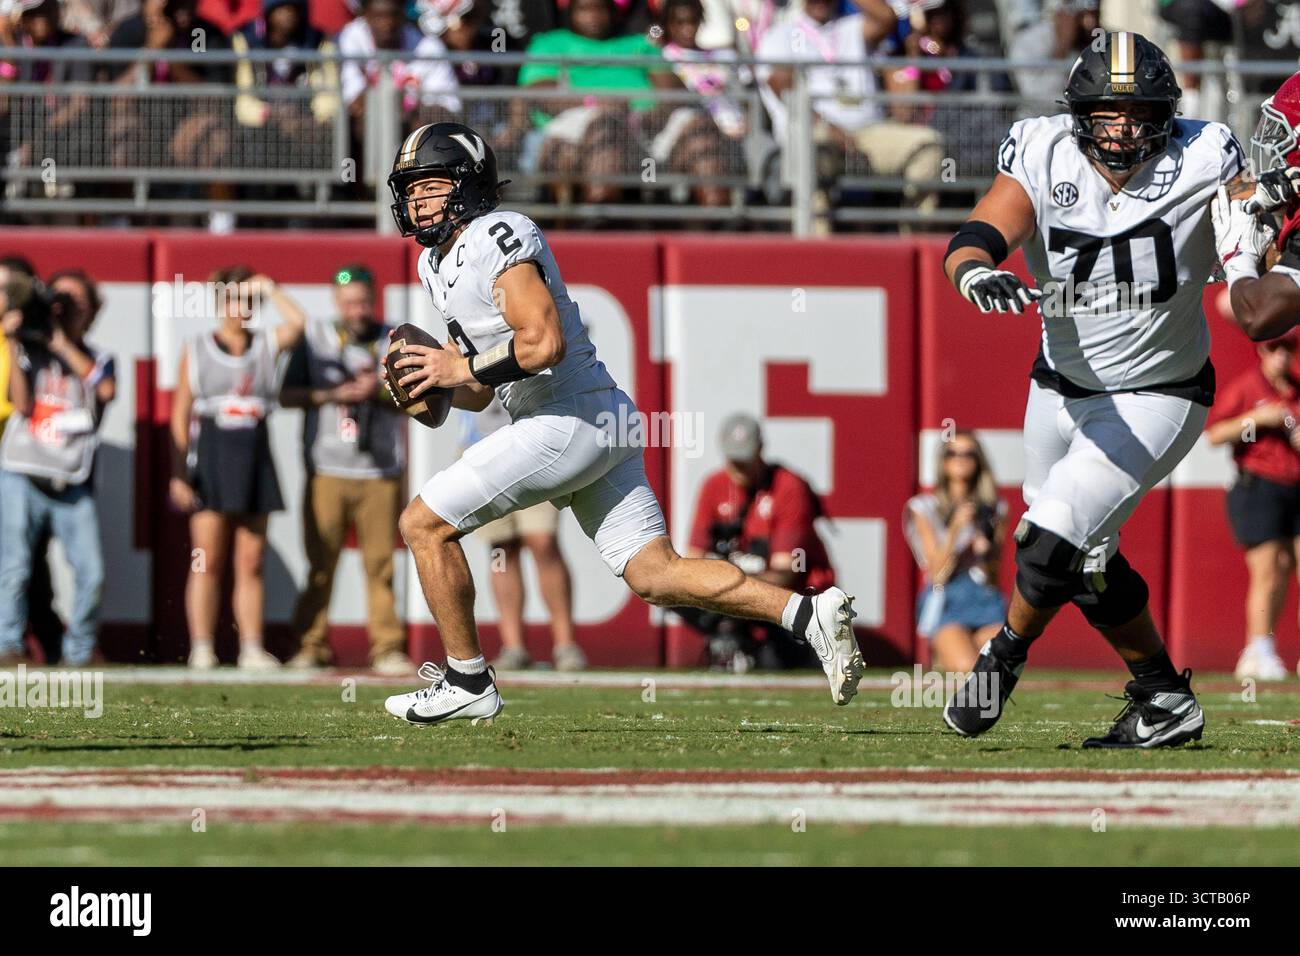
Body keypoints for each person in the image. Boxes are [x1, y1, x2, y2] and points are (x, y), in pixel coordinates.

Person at [380, 121, 863, 725]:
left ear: (468, 186)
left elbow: (544, 342)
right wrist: (440, 381)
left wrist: (459, 364)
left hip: (568, 417)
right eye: (411, 189)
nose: (418, 201)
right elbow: (484, 387)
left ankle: (467, 679)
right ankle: (808, 615)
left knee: (423, 524)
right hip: (597, 419)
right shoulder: (436, 264)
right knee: (656, 573)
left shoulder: (494, 235)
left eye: (431, 185)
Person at [941, 32, 1254, 748]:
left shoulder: (1204, 153)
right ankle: (1165, 699)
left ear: (1166, 112)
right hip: (1058, 385)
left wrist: (1257, 231)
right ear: (1079, 113)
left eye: (1141, 110)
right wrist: (975, 270)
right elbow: (984, 226)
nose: (1125, 127)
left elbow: (1247, 221)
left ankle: (1001, 662)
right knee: (1084, 559)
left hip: (1160, 392)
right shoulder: (1042, 147)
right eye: (1109, 112)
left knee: (1049, 542)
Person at [169, 267, 307, 670]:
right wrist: (179, 473)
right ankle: (202, 646)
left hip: (254, 452)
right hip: (213, 452)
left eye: (247, 301)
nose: (240, 309)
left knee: (252, 559)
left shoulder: (265, 342)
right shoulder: (197, 347)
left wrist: (270, 287)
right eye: (232, 299)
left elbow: (297, 323)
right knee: (206, 557)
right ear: (218, 303)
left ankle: (250, 646)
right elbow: (181, 414)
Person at [280, 264, 413, 675]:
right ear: (337, 303)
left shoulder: (395, 339)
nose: (357, 310)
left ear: (374, 302)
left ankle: (387, 648)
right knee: (321, 563)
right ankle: (310, 645)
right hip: (328, 467)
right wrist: (333, 393)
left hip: (380, 470)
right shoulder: (316, 338)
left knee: (380, 565)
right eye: (349, 302)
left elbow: (415, 398)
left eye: (363, 301)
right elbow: (287, 395)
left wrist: (378, 392)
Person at [0, 268, 115, 667]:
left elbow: (105, 390)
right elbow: (23, 404)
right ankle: (8, 646)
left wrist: (63, 343)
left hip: (70, 478)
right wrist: (15, 340)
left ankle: (80, 652)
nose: (65, 310)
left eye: (76, 303)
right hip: (22, 470)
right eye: (59, 301)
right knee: (14, 567)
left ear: (91, 311)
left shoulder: (98, 358)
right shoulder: (30, 348)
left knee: (91, 572)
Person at [756, 0, 945, 218]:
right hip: (816, 133)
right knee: (815, 150)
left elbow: (887, 17)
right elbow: (782, 87)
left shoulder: (850, 26)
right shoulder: (781, 34)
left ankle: (915, 233)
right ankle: (817, 242)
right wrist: (828, 126)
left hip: (867, 132)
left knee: (927, 144)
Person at [682, 413, 835, 670]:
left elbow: (786, 574)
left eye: (746, 459)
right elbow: (691, 561)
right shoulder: (714, 485)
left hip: (796, 601)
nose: (740, 467)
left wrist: (725, 586)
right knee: (675, 593)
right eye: (735, 459)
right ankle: (728, 643)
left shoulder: (789, 487)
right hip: (738, 593)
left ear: (761, 449)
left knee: (777, 665)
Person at [457, 399, 586, 671]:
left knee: (543, 541)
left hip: (534, 441)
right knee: (501, 550)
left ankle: (566, 645)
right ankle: (514, 647)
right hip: (481, 444)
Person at [1205, 330, 1300, 681]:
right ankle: (1258, 650)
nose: (1282, 357)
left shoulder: (1295, 391)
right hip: (1260, 486)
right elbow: (1214, 435)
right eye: (1276, 349)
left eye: (1288, 350)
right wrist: (1257, 420)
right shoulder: (1249, 388)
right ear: (1262, 351)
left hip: (1296, 486)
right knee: (1269, 569)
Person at [514, 0, 674, 206]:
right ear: (570, 11)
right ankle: (598, 215)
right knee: (605, 126)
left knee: (700, 130)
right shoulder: (550, 43)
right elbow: (541, 93)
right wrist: (595, 103)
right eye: (585, 8)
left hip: (643, 129)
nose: (593, 16)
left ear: (613, 12)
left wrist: (647, 118)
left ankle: (713, 226)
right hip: (576, 125)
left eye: (600, 8)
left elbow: (672, 94)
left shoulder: (640, 44)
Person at [904, 430, 1006, 674]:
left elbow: (993, 575)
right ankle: (944, 651)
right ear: (943, 461)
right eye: (952, 453)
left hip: (984, 597)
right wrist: (954, 530)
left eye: (968, 454)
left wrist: (986, 549)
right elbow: (936, 571)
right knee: (968, 668)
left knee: (998, 667)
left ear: (979, 461)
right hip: (946, 597)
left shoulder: (994, 509)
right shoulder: (924, 507)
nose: (959, 459)